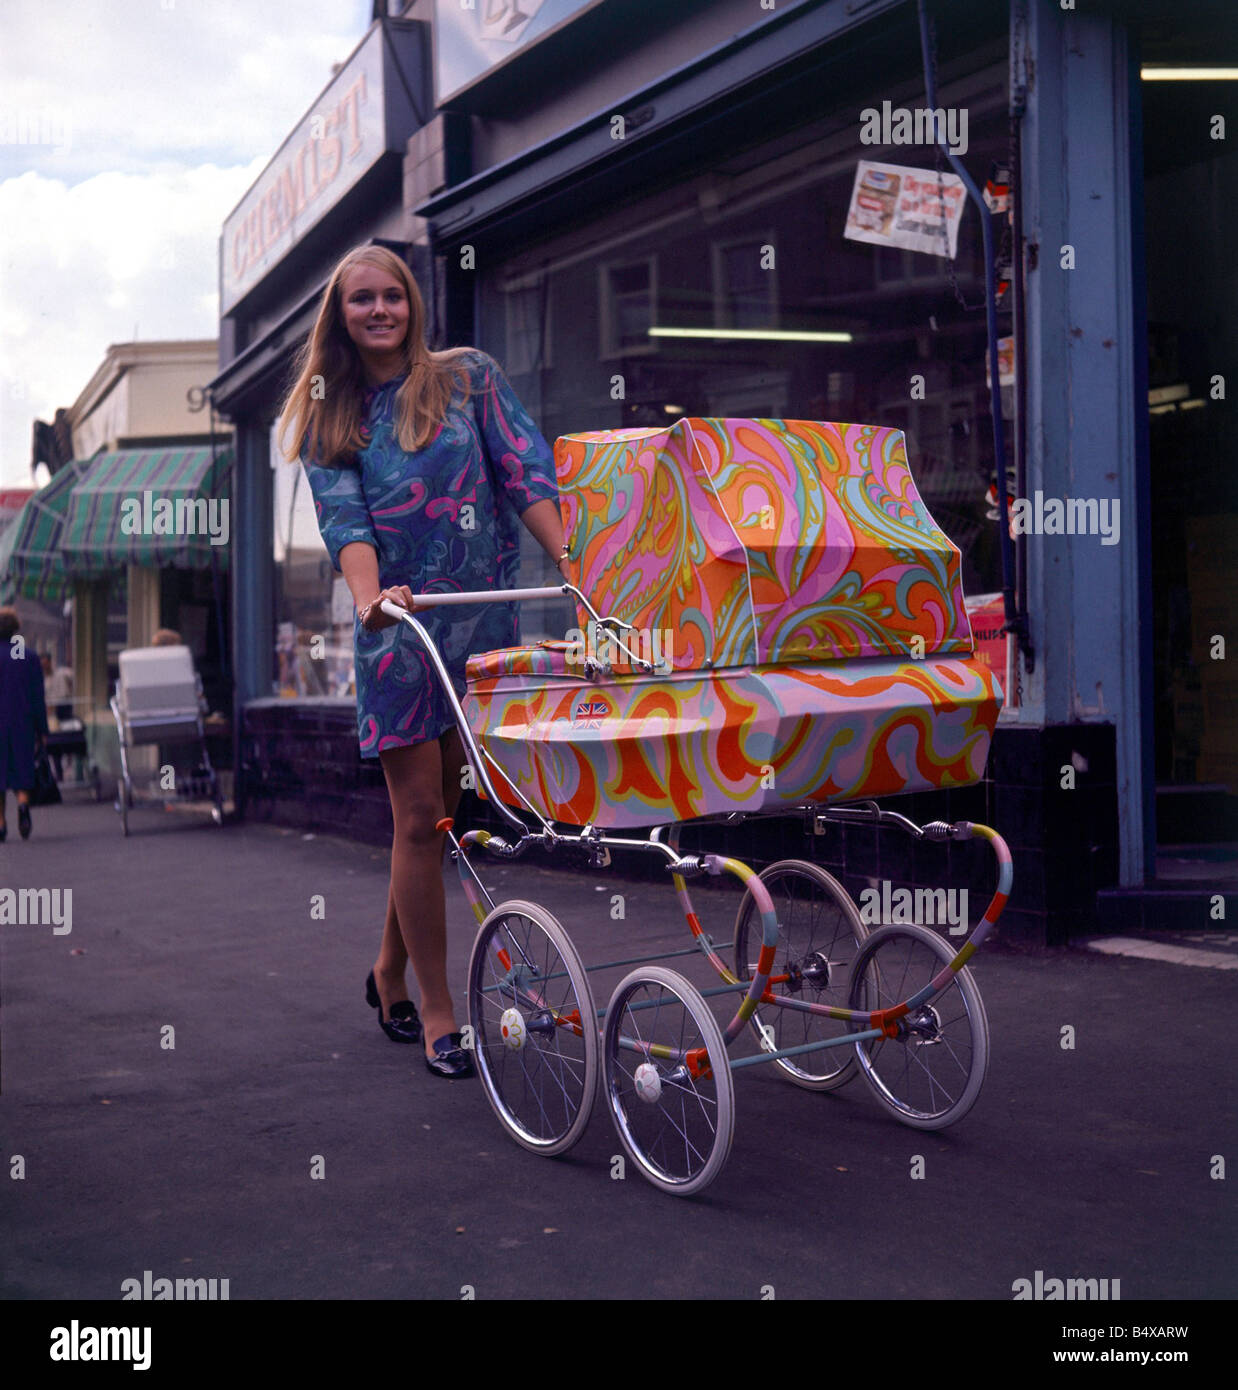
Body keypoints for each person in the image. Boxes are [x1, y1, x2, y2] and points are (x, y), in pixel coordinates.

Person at [279, 244, 569, 1080]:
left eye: (392, 296)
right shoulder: (331, 413)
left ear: (413, 302)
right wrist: (371, 600)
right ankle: (439, 1011)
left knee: (444, 812)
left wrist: (572, 565)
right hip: (400, 632)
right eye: (361, 299)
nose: (378, 310)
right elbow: (348, 526)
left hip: (481, 625)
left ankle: (386, 969)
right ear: (341, 314)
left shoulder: (468, 377)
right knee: (418, 820)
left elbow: (523, 470)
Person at [0, 607, 49, 841]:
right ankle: (22, 806)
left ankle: (0, 822)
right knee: (22, 766)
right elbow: (38, 697)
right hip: (22, 722)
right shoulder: (27, 657)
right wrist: (42, 730)